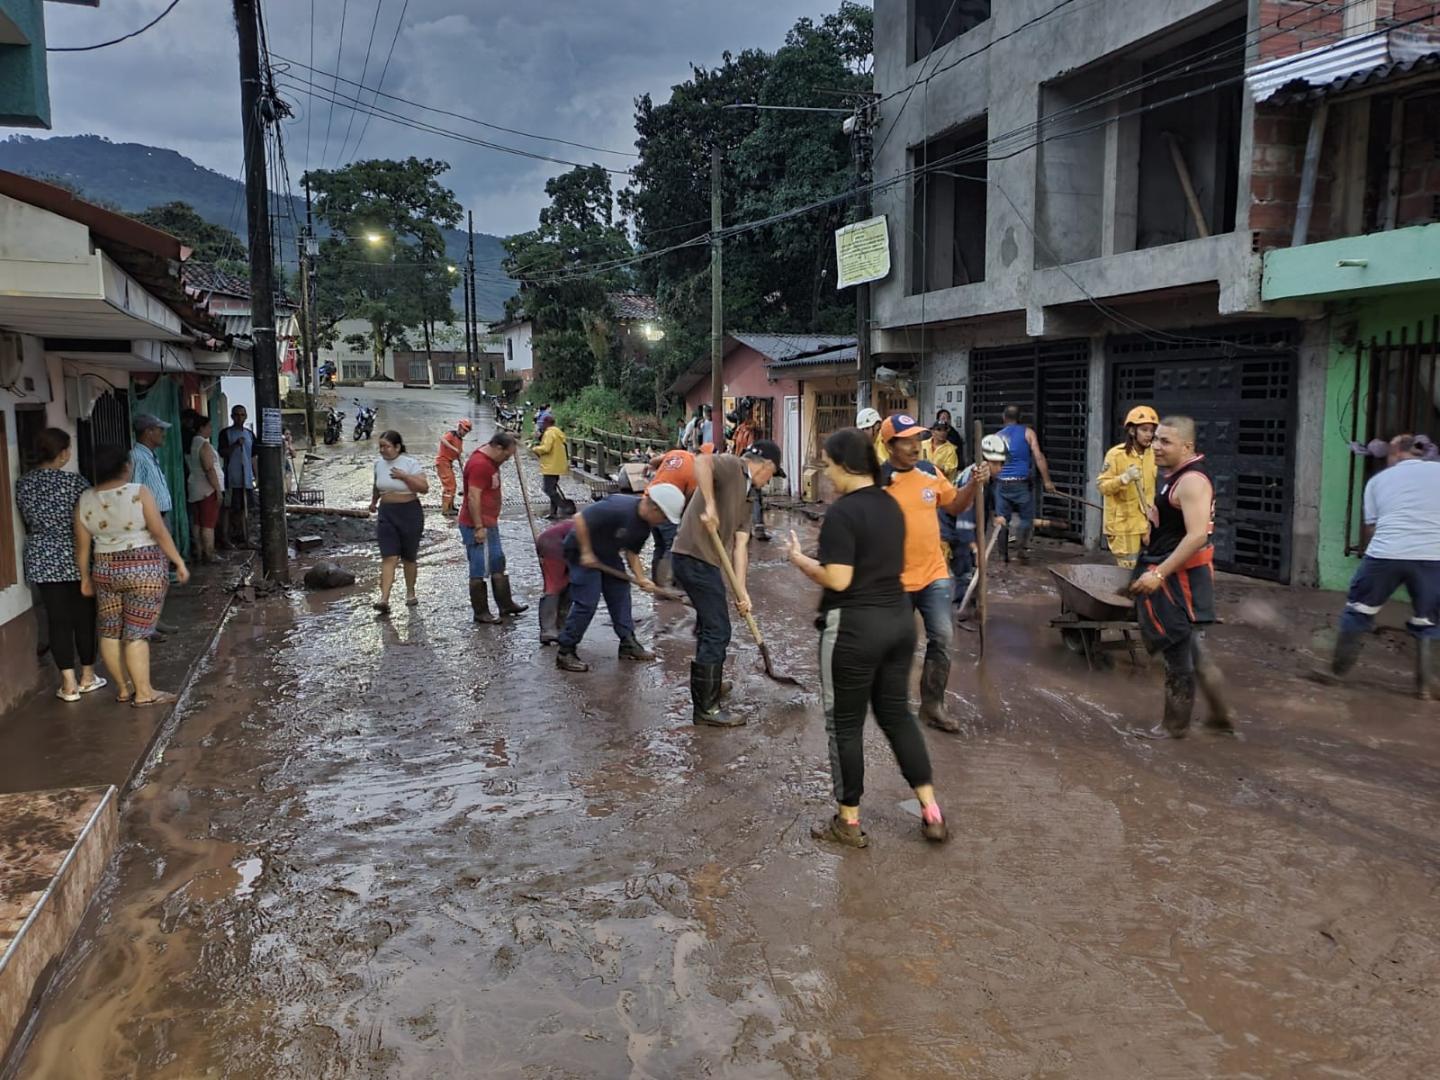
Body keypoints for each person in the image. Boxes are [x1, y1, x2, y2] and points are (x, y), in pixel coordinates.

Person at [785, 427, 948, 848]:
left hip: (854, 629)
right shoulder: (890, 505)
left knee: (845, 725)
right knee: (896, 715)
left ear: (845, 466)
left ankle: (849, 822)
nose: (825, 473)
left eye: (827, 464)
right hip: (898, 623)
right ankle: (931, 810)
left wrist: (800, 561)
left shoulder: (843, 512)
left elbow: (839, 578)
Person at [881, 413, 987, 733]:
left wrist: (972, 484)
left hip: (933, 575)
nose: (916, 447)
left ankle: (932, 707)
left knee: (942, 638)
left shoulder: (930, 472)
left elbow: (954, 506)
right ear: (889, 446)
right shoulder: (877, 481)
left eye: (918, 439)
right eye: (907, 441)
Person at [1129, 416, 1233, 739]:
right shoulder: (1174, 475)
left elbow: (1197, 535)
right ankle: (1221, 716)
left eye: (1165, 442)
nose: (1156, 446)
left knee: (1177, 650)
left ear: (1187, 446)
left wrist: (1159, 573)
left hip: (1180, 580)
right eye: (1155, 439)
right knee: (1195, 650)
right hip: (1175, 573)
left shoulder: (1191, 481)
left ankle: (1174, 727)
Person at [671, 440, 784, 727]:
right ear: (765, 466)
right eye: (773, 475)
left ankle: (711, 683)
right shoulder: (734, 466)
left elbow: (741, 547)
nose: (770, 481)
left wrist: (741, 591)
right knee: (718, 629)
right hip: (691, 556)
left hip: (706, 563)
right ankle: (706, 708)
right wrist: (709, 504)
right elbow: (701, 461)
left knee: (712, 626)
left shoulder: (748, 498)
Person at [1322, 434, 1440, 699]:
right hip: (1434, 557)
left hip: (1386, 553)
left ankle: (1337, 673)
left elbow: (1372, 526)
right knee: (1431, 620)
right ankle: (1427, 685)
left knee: (1359, 609)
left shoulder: (1378, 481)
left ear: (1396, 452)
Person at [74, 445, 190, 706]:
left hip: (104, 569)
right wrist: (178, 561)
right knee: (136, 633)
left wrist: (84, 578)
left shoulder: (85, 499)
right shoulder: (138, 492)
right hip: (143, 568)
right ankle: (145, 694)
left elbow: (82, 546)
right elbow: (159, 531)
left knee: (110, 631)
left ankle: (125, 689)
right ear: (125, 467)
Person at [15, 429, 105, 702]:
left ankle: (68, 683)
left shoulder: (23, 484)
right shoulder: (75, 483)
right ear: (63, 453)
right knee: (84, 619)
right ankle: (88, 676)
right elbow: (92, 518)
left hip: (42, 557)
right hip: (76, 556)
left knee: (57, 621)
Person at [555, 484, 685, 672]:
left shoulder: (644, 527)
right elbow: (580, 519)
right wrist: (586, 553)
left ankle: (628, 643)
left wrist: (641, 578)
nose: (662, 522)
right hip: (580, 551)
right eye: (664, 517)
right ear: (654, 507)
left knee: (620, 592)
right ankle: (565, 650)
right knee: (587, 601)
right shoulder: (617, 506)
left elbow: (632, 552)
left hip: (607, 553)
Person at [459, 430, 527, 624]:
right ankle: (481, 612)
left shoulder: (491, 459)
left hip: (490, 521)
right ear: (498, 448)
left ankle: (505, 604)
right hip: (476, 523)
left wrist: (511, 439)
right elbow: (473, 496)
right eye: (506, 455)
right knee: (479, 567)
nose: (507, 460)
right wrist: (479, 527)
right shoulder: (480, 465)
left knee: (497, 561)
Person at [368, 431, 429, 616]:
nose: (383, 450)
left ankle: (410, 592)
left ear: (397, 447)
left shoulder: (410, 463)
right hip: (387, 513)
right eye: (381, 446)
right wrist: (373, 501)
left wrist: (405, 477)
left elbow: (424, 488)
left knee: (409, 557)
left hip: (409, 512)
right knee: (389, 556)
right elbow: (377, 485)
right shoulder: (378, 465)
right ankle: (384, 598)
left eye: (387, 446)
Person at [1096, 406, 1159, 570]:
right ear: (1132, 431)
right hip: (1123, 525)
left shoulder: (1153, 454)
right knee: (1127, 570)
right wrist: (1123, 478)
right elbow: (1102, 486)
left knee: (1147, 569)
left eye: (1151, 431)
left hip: (1146, 523)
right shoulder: (1115, 455)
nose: (1149, 435)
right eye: (1144, 430)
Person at [993, 404, 1057, 563]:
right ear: (1020, 418)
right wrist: (1047, 481)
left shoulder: (997, 436)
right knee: (1027, 518)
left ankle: (1003, 555)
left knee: (1002, 520)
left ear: (1003, 418)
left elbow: (992, 463)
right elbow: (1039, 457)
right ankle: (1021, 549)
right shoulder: (1028, 433)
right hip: (1021, 484)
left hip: (1002, 484)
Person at [646, 447, 698, 585]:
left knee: (659, 545)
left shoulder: (676, 454)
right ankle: (667, 584)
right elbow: (688, 500)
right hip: (666, 509)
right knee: (672, 546)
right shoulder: (696, 471)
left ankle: (656, 582)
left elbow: (653, 461)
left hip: (649, 499)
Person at [186, 414, 223, 564]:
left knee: (198, 522)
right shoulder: (204, 444)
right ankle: (210, 553)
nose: (211, 430)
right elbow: (209, 468)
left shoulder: (193, 443)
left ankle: (200, 551)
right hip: (206, 489)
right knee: (208, 523)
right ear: (201, 428)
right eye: (209, 427)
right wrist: (218, 489)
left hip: (195, 486)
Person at [218, 405, 256, 548]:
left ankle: (245, 537)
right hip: (232, 478)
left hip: (246, 478)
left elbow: (253, 457)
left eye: (242, 415)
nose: (239, 418)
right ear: (232, 416)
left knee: (245, 509)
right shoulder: (226, 434)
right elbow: (222, 453)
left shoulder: (250, 435)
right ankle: (226, 538)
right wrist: (235, 445)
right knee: (228, 509)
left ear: (246, 416)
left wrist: (255, 476)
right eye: (237, 415)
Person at [535, 517, 577, 646]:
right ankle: (548, 631)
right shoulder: (597, 527)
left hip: (566, 544)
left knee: (571, 582)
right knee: (554, 584)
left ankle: (561, 626)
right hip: (552, 544)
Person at [531, 414, 570, 519]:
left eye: (543, 423)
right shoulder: (557, 432)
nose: (542, 426)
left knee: (548, 489)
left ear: (547, 423)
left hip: (550, 465)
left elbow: (546, 448)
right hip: (557, 465)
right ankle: (553, 512)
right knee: (553, 488)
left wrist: (535, 448)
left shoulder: (549, 433)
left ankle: (563, 506)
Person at [435, 418, 472, 517]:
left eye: (466, 432)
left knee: (453, 485)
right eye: (464, 430)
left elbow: (458, 455)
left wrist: (463, 469)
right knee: (449, 486)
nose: (464, 433)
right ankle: (446, 509)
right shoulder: (451, 434)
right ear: (459, 427)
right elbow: (442, 439)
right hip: (443, 462)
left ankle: (451, 506)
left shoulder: (460, 440)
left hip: (448, 463)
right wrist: (453, 448)